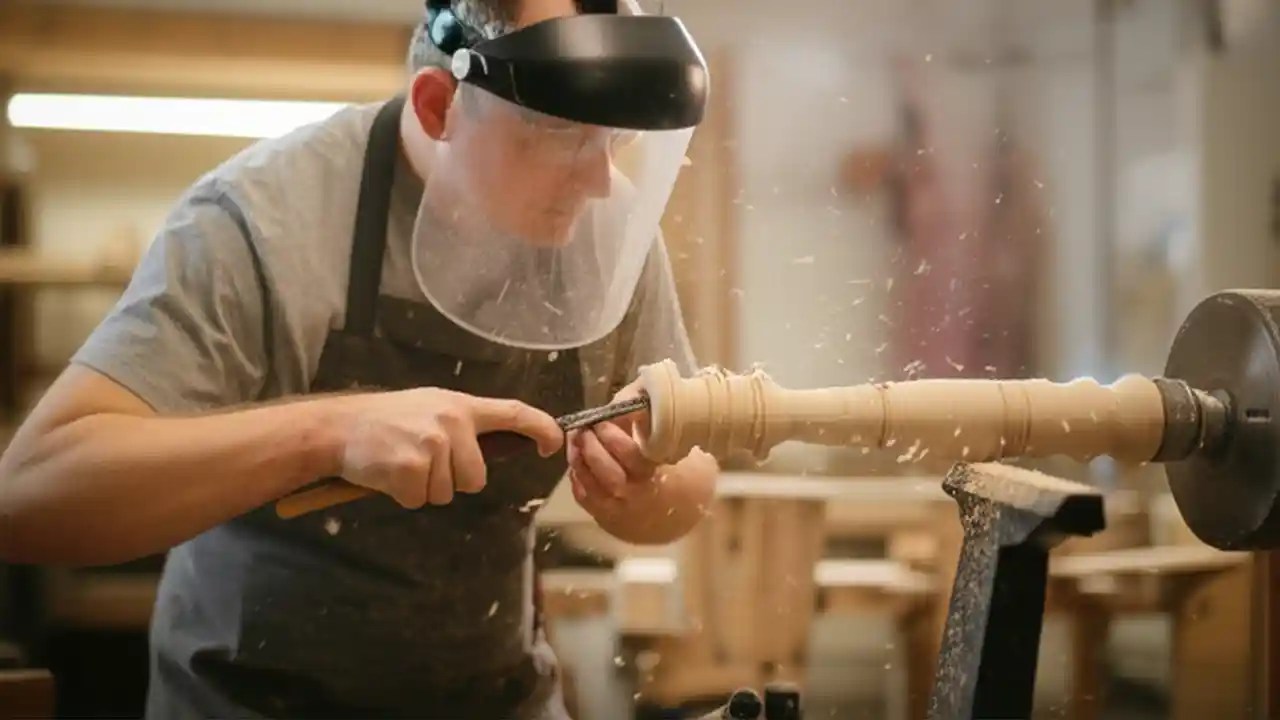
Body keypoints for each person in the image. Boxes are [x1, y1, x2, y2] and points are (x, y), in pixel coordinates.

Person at [0, 0, 719, 717]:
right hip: (251, 703)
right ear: (440, 108)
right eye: (562, 134)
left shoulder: (604, 229)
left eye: (611, 139)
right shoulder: (267, 219)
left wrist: (645, 487)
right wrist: (333, 435)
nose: (598, 182)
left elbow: (691, 480)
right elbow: (31, 498)